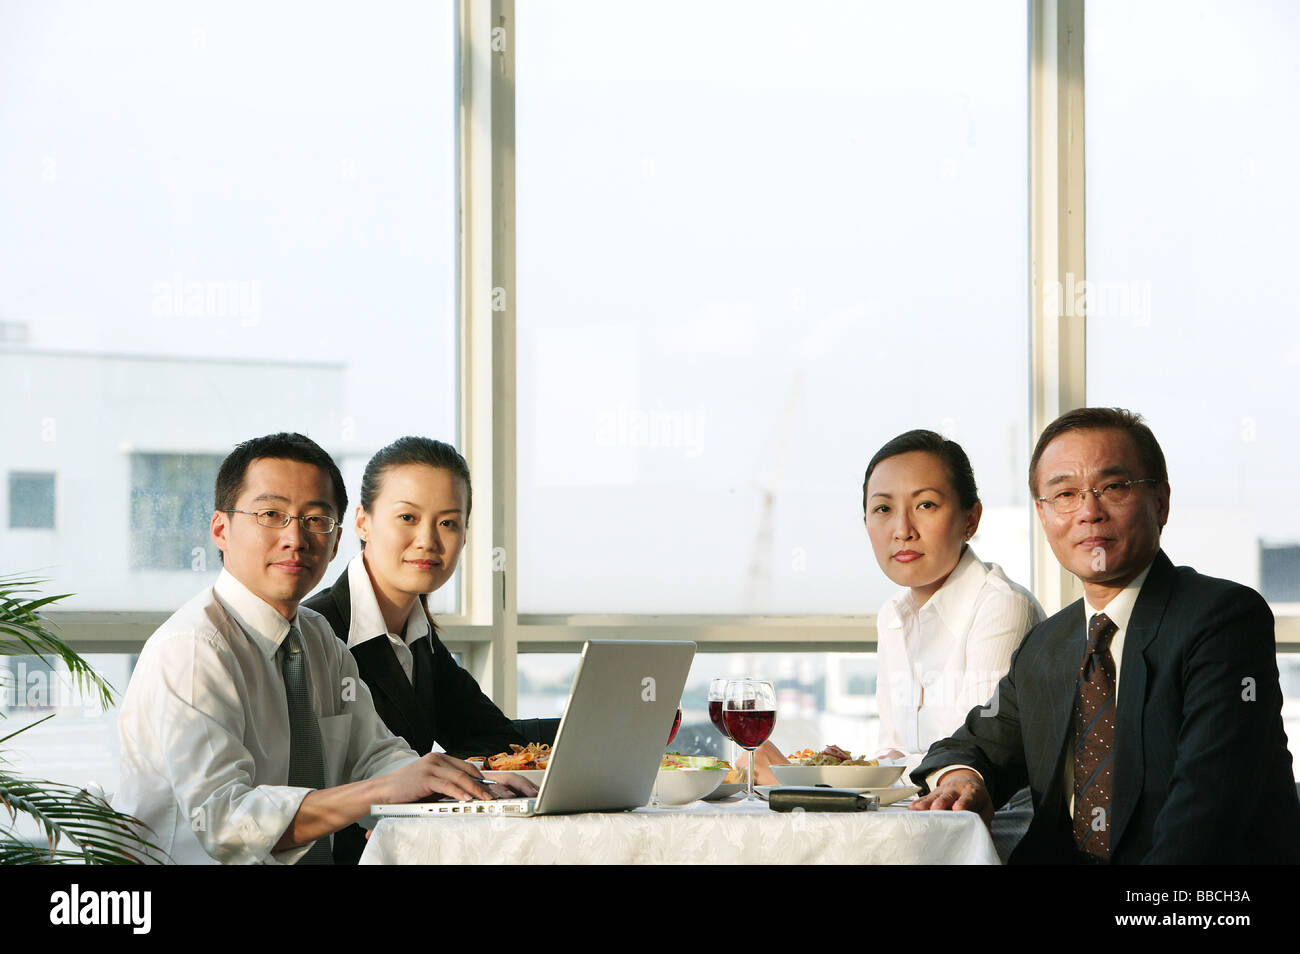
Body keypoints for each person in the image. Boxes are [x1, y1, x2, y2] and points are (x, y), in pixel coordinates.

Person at [113, 433, 533, 865]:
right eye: (271, 514)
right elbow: (223, 822)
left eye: (316, 519)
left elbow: (377, 756)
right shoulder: (195, 649)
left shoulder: (317, 638)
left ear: (336, 541)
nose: (296, 538)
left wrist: (474, 789)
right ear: (221, 529)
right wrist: (384, 790)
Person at [910, 408, 1300, 864]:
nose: (1089, 512)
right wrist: (964, 777)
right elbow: (972, 744)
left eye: (1113, 488)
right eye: (1065, 494)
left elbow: (1205, 816)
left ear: (1161, 501)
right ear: (1043, 515)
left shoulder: (1222, 620)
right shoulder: (1047, 646)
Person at [748, 430, 1042, 782]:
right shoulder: (893, 616)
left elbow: (969, 762)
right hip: (917, 823)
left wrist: (804, 776)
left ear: (971, 519)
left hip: (990, 830)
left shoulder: (1002, 608)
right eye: (883, 509)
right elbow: (893, 755)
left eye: (926, 505)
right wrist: (861, 768)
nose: (902, 530)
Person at [303, 436, 529, 864]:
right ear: (363, 522)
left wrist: (590, 732)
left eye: (448, 522)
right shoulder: (318, 632)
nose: (428, 540)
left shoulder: (417, 634)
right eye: (407, 516)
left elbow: (493, 737)